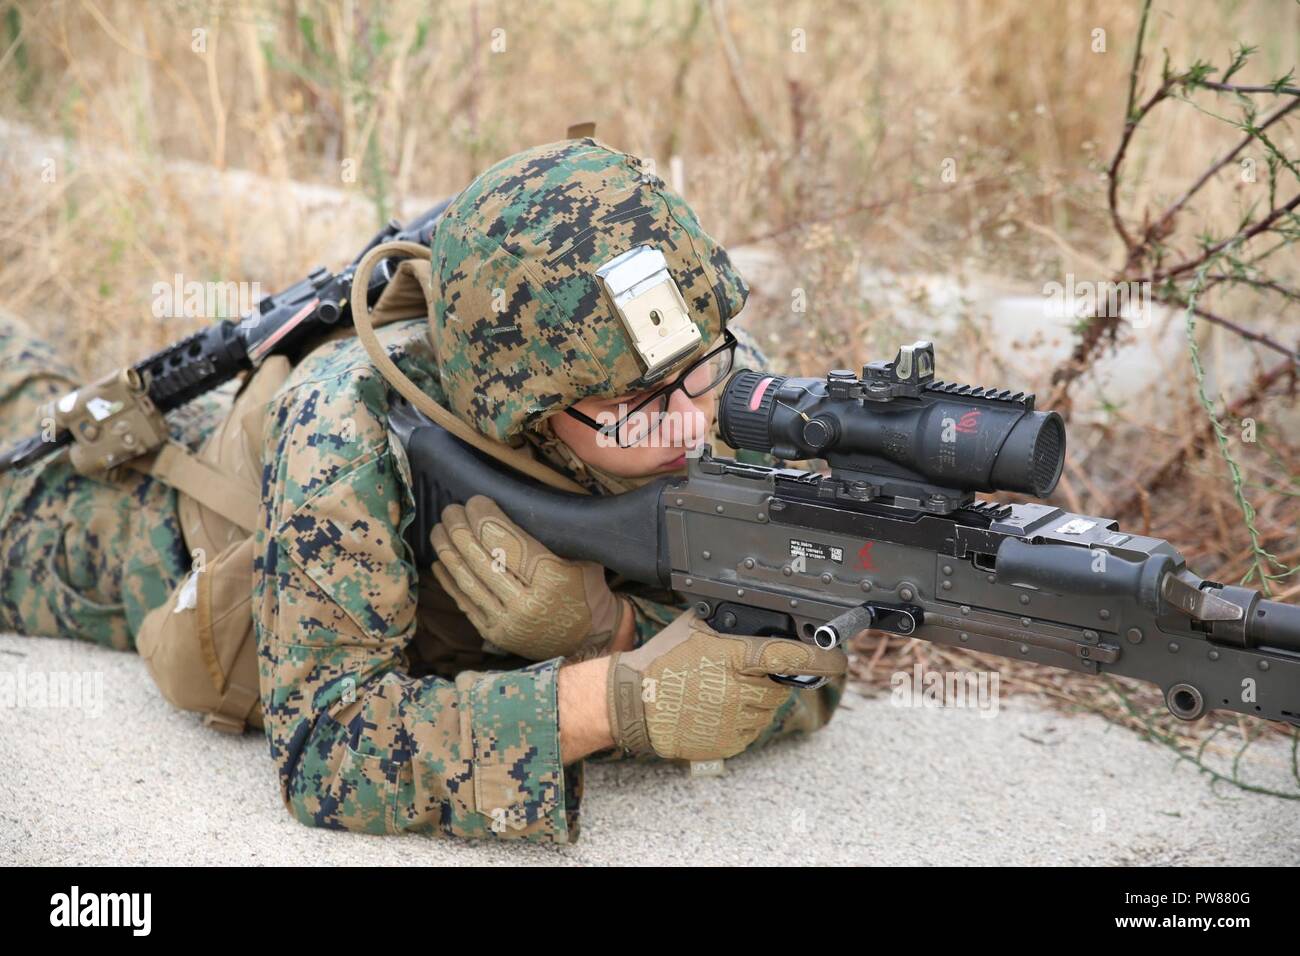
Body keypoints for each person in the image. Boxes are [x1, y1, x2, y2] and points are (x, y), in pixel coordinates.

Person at [0, 136, 847, 843]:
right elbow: (325, 749)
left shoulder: (693, 370)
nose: (689, 425)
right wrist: (605, 699)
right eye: (629, 407)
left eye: (700, 372)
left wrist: (608, 627)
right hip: (154, 529)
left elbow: (814, 648)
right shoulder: (348, 426)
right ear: (522, 407)